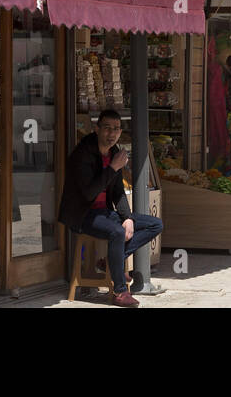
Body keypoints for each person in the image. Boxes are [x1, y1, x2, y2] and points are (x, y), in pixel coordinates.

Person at [58, 110, 162, 308]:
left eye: (116, 129)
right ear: (96, 129)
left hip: (104, 213)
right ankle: (120, 292)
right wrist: (113, 168)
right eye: (107, 128)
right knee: (116, 232)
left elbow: (118, 192)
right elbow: (89, 193)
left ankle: (112, 260)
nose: (111, 134)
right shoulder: (83, 154)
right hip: (82, 215)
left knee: (155, 224)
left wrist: (128, 217)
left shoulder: (115, 153)